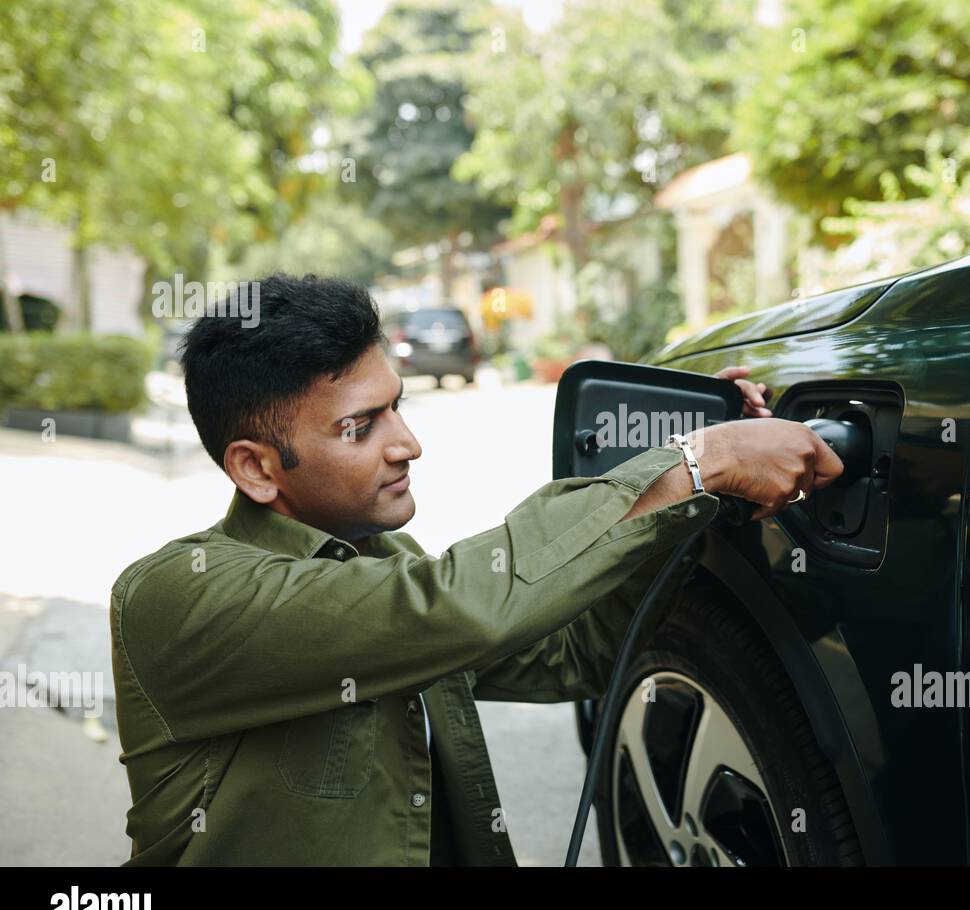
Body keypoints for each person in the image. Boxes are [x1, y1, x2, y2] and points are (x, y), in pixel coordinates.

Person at [110, 273, 842, 865]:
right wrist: (694, 464)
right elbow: (462, 604)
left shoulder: (384, 561)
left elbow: (577, 656)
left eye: (396, 407)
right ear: (256, 469)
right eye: (361, 427)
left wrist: (706, 494)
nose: (409, 444)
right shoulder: (178, 596)